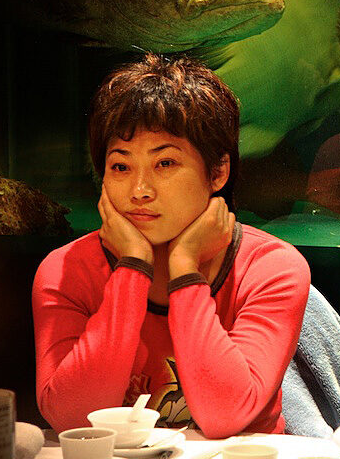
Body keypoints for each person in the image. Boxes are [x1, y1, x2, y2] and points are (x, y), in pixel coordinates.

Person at [32, 54, 310, 438]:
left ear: (218, 172)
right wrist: (132, 267)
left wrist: (185, 268)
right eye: (120, 166)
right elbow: (74, 421)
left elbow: (224, 415)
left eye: (164, 163)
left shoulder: (271, 268)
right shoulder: (66, 271)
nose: (139, 191)